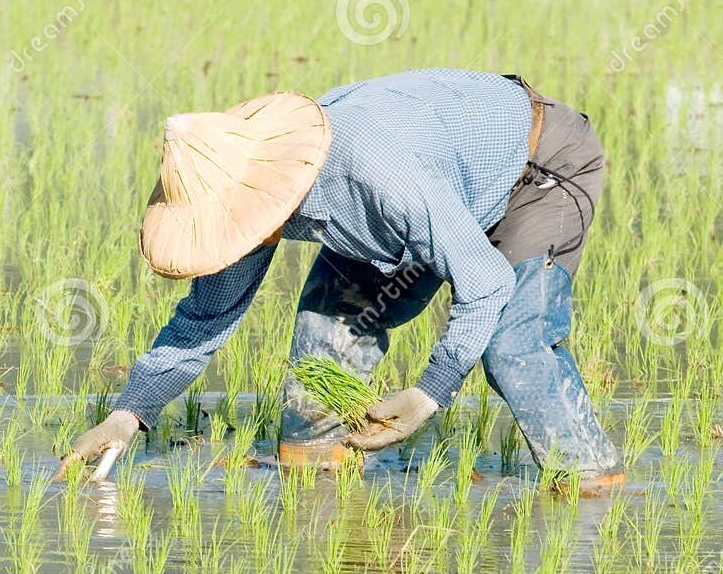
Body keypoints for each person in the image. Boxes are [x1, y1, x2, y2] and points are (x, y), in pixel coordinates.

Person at [57, 69, 623, 488]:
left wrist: (429, 394)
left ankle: (593, 485)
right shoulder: (253, 204)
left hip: (536, 171)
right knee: (323, 336)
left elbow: (486, 283)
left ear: (265, 195)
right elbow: (208, 315)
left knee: (511, 346)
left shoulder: (379, 176)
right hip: (429, 194)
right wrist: (128, 413)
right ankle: (322, 495)